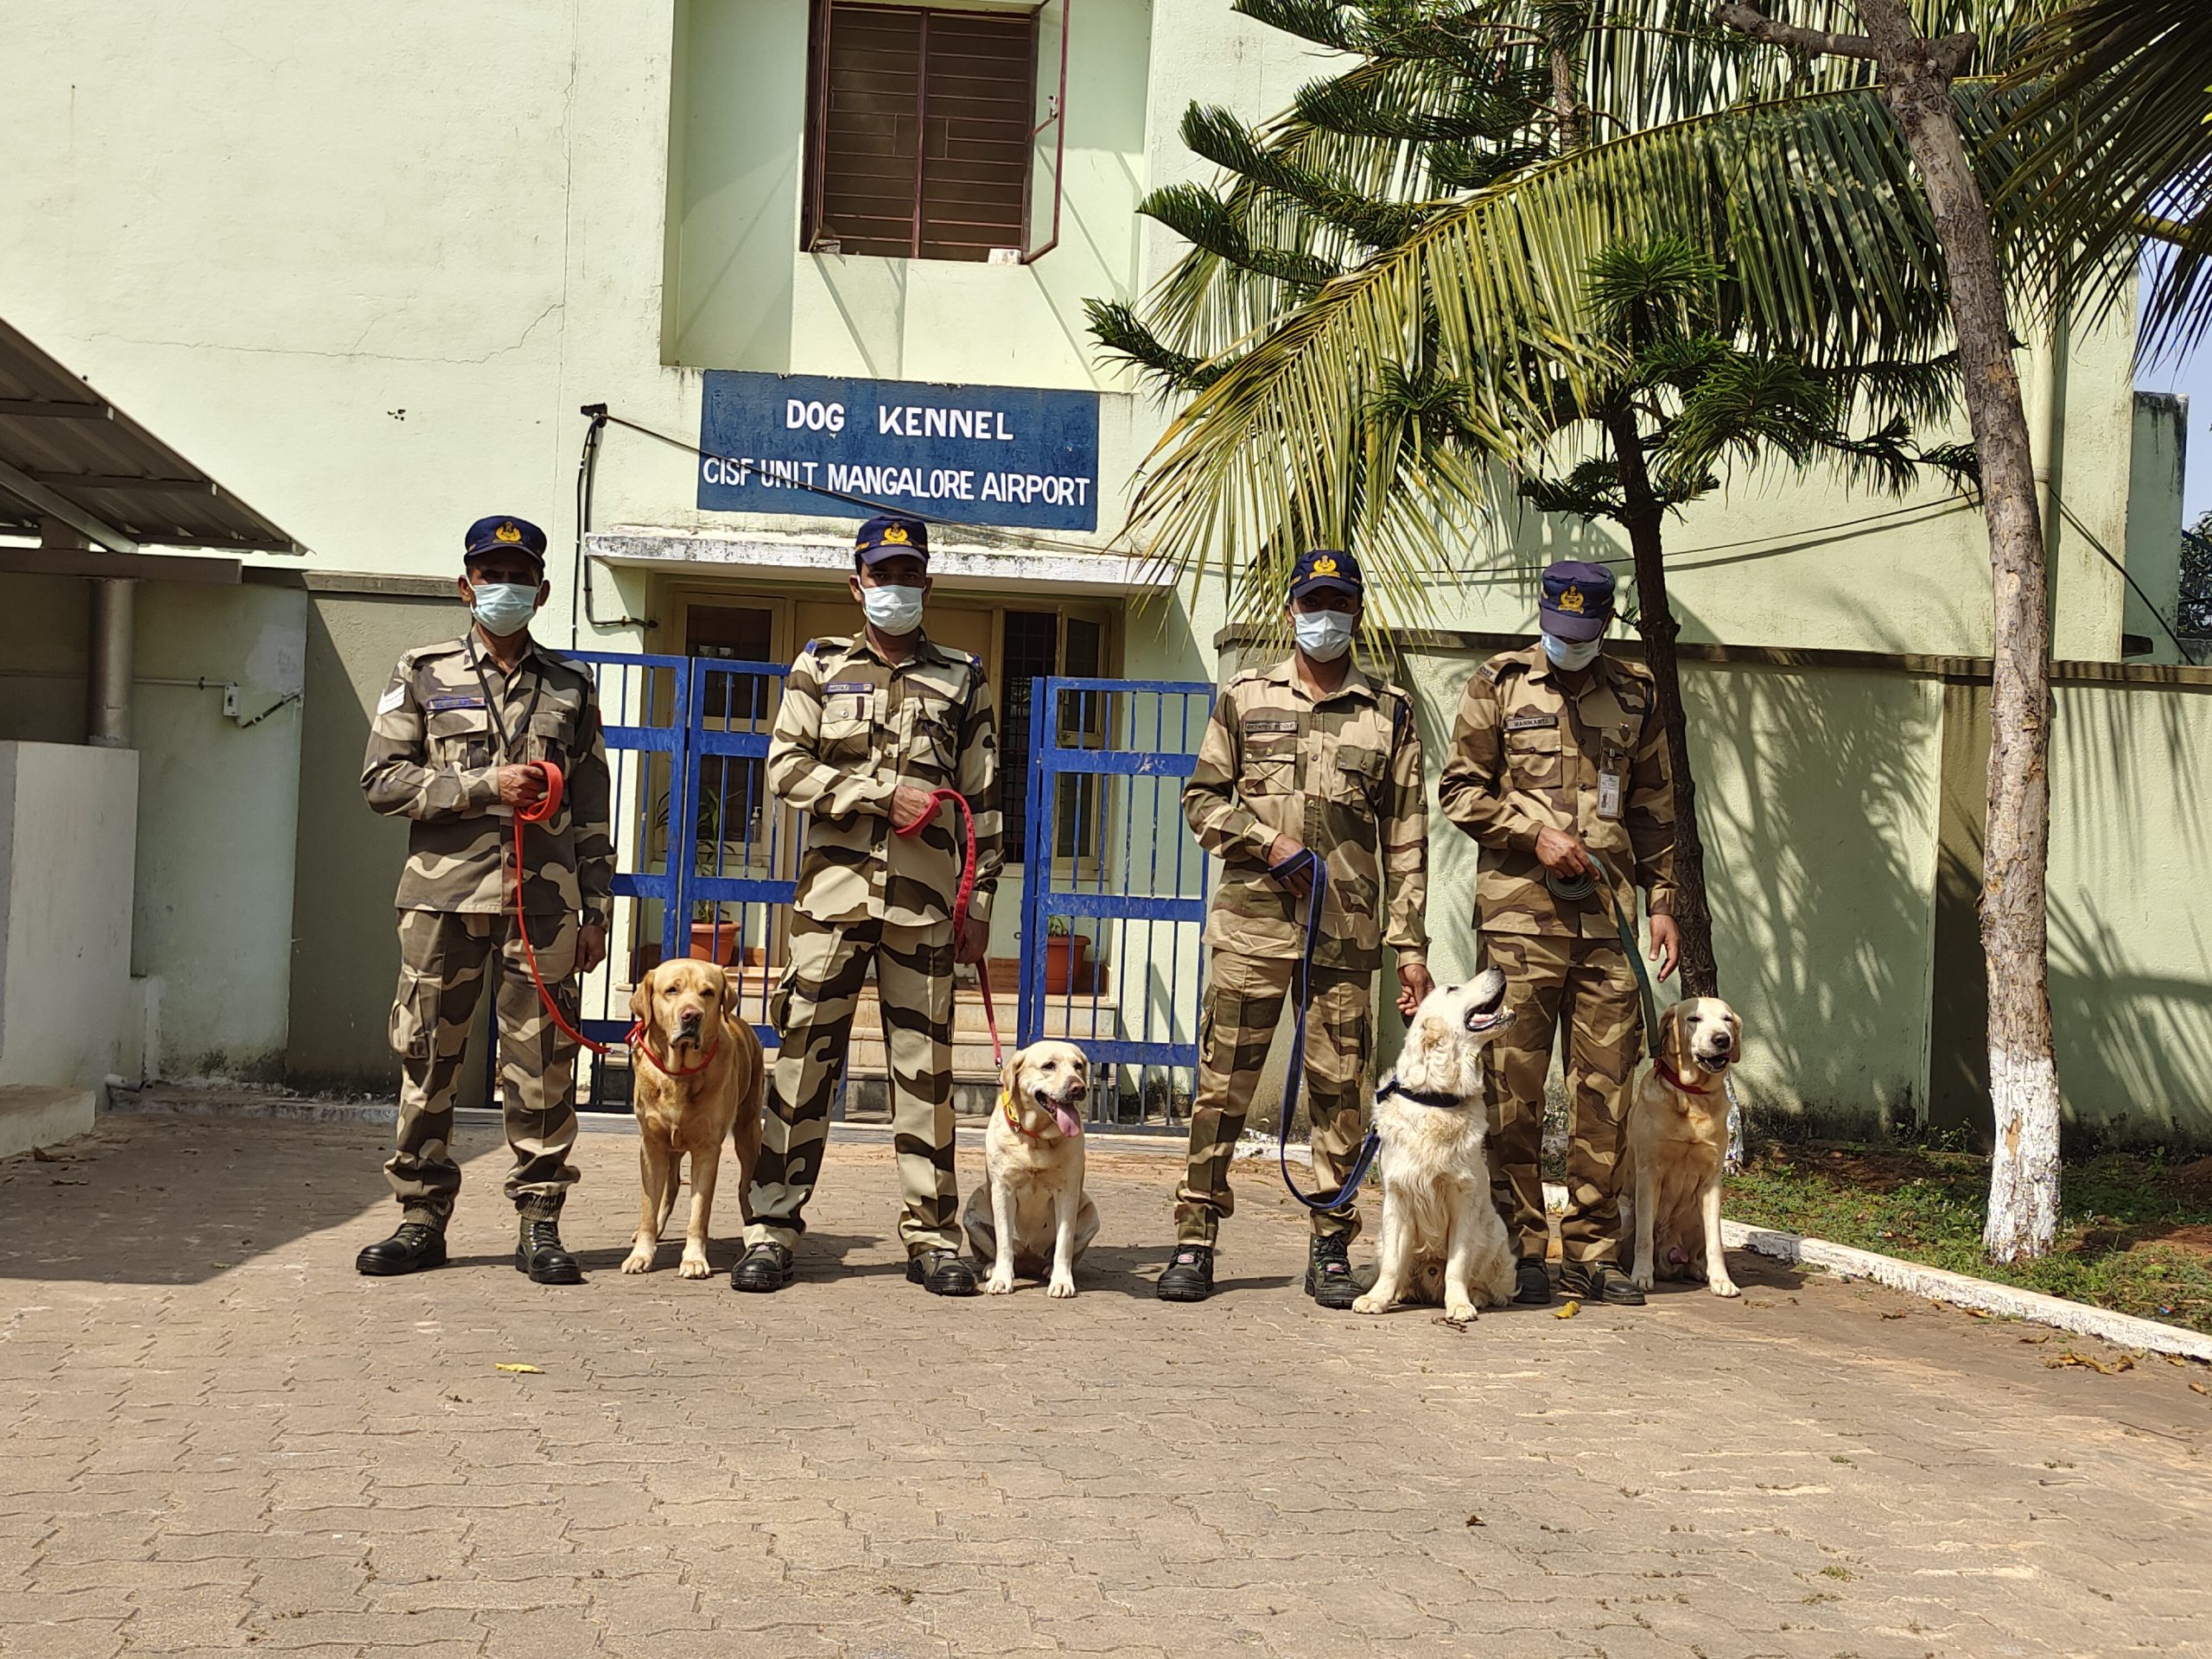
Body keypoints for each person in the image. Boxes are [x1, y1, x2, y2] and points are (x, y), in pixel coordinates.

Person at [733, 513, 1001, 1297]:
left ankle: (932, 1236)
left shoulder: (963, 675)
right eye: (881, 575)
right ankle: (771, 1226)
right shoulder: (818, 668)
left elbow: (984, 797)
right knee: (802, 1066)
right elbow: (786, 769)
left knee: (926, 1076)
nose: (896, 587)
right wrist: (882, 793)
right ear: (856, 584)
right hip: (831, 904)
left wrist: (978, 899)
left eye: (908, 574)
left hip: (923, 908)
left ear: (929, 582)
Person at [1157, 549, 1432, 1308]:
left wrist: (1410, 946)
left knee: (1340, 1096)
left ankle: (1332, 1247)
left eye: (1339, 602)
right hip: (1250, 931)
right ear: (1291, 611)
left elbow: (1408, 837)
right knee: (1221, 1091)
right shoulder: (1244, 699)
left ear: (1357, 612)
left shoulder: (1389, 713)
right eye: (1314, 602)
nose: (1325, 616)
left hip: (1344, 938)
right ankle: (1194, 1238)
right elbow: (1201, 804)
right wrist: (1265, 842)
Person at [354, 515, 613, 1285]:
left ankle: (539, 1222)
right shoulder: (423, 670)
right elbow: (381, 782)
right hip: (442, 901)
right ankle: (419, 1219)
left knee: (542, 1066)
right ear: (465, 585)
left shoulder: (570, 685)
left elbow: (593, 807)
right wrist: (480, 786)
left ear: (540, 589)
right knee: (428, 1055)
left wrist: (594, 908)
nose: (507, 586)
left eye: (521, 574)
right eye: (492, 572)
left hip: (543, 905)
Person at [1436, 559, 1678, 1309]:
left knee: (1603, 1092)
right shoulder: (1499, 684)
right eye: (1557, 629)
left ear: (1604, 626)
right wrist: (1531, 833)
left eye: (1583, 631)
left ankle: (1595, 1251)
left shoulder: (1636, 694)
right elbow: (1458, 790)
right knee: (1512, 1091)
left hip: (1607, 925)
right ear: (1542, 616)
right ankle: (1520, 1244)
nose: (1567, 642)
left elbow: (1656, 810)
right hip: (1518, 924)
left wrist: (1663, 899)